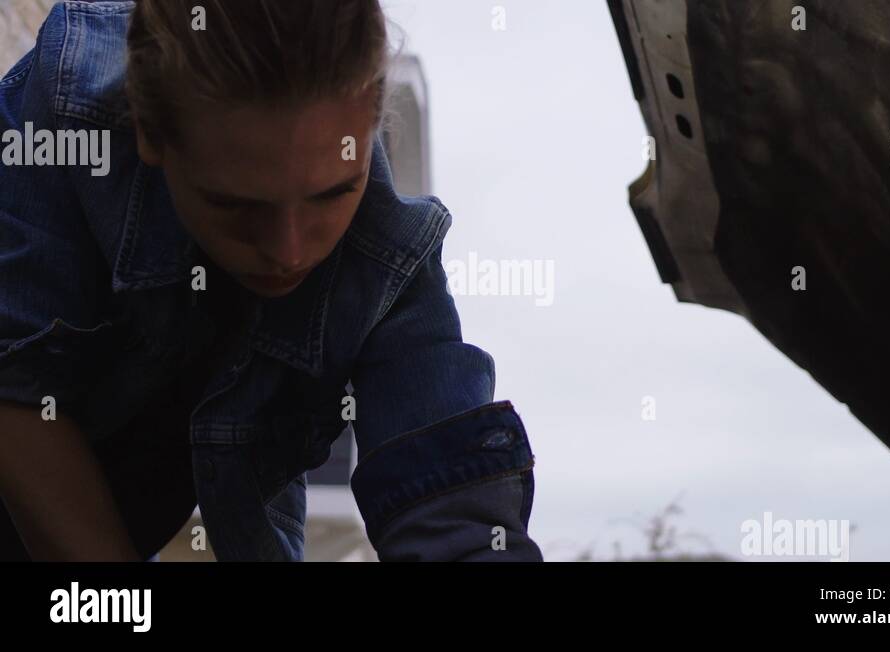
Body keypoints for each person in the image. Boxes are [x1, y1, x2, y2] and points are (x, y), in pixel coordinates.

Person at [0, 0, 542, 562]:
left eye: (332, 194)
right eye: (237, 207)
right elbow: (15, 387)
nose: (289, 252)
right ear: (148, 131)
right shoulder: (63, 124)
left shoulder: (388, 256)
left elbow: (450, 508)